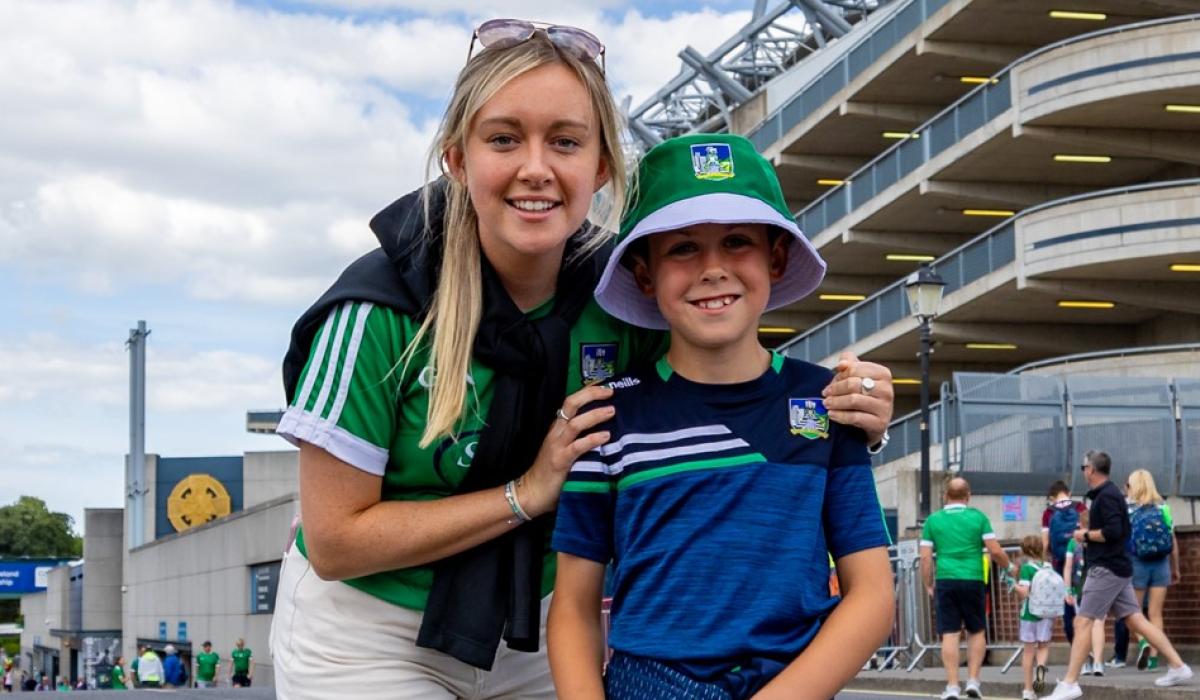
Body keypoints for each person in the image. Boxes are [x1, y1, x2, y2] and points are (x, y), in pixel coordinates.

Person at [268, 18, 897, 699]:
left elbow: (726, 375)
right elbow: (334, 543)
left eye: (564, 141)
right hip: (373, 626)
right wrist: (524, 495)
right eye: (504, 138)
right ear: (457, 158)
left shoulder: (623, 297)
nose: (535, 168)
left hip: (532, 621)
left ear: (600, 165)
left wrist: (850, 409)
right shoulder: (375, 310)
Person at [547, 133, 895, 699]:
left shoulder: (827, 404)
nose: (713, 269)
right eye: (683, 248)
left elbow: (874, 594)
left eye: (736, 242)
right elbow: (574, 607)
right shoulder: (607, 416)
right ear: (644, 273)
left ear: (776, 258)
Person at [1042, 451, 1193, 700]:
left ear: (1091, 469)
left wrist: (1086, 535)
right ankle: (1178, 667)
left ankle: (1070, 683)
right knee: (1136, 620)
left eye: (1083, 467)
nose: (1082, 471)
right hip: (1118, 567)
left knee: (1082, 622)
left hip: (1105, 568)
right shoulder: (1109, 495)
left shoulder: (1106, 497)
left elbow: (1113, 531)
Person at [920, 476, 1015, 700]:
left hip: (945, 579)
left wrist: (928, 584)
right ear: (968, 496)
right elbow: (996, 551)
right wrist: (1010, 567)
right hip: (973, 580)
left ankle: (952, 686)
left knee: (950, 634)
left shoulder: (932, 521)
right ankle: (973, 681)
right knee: (977, 631)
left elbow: (925, 559)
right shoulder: (978, 518)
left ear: (945, 495)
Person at [1122, 469, 1181, 671]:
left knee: (1133, 613)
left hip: (1137, 562)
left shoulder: (1127, 508)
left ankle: (1143, 642)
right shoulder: (1163, 506)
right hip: (1161, 562)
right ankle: (1154, 659)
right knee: (1156, 613)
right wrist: (1176, 567)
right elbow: (1172, 540)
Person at [1041, 480, 1087, 644]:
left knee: (1067, 605)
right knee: (1085, 603)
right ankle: (1088, 647)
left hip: (1060, 562)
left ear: (1052, 497)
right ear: (1068, 493)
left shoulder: (1048, 513)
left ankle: (1074, 644)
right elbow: (1087, 531)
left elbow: (1045, 542)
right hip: (1082, 560)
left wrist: (1044, 561)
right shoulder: (1079, 507)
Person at [1062, 511, 1105, 676]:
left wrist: (1067, 590)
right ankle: (1098, 663)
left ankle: (1085, 662)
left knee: (1082, 626)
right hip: (1100, 586)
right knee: (1098, 623)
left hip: (1080, 588)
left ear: (1080, 524)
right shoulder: (1102, 541)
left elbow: (1067, 567)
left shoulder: (1073, 543)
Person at [1016, 535, 1057, 699]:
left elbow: (1024, 593)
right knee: (1043, 646)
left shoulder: (1027, 568)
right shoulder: (1049, 567)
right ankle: (1040, 670)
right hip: (1047, 614)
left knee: (1028, 651)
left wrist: (1014, 586)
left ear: (1024, 550)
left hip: (1029, 614)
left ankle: (1028, 690)